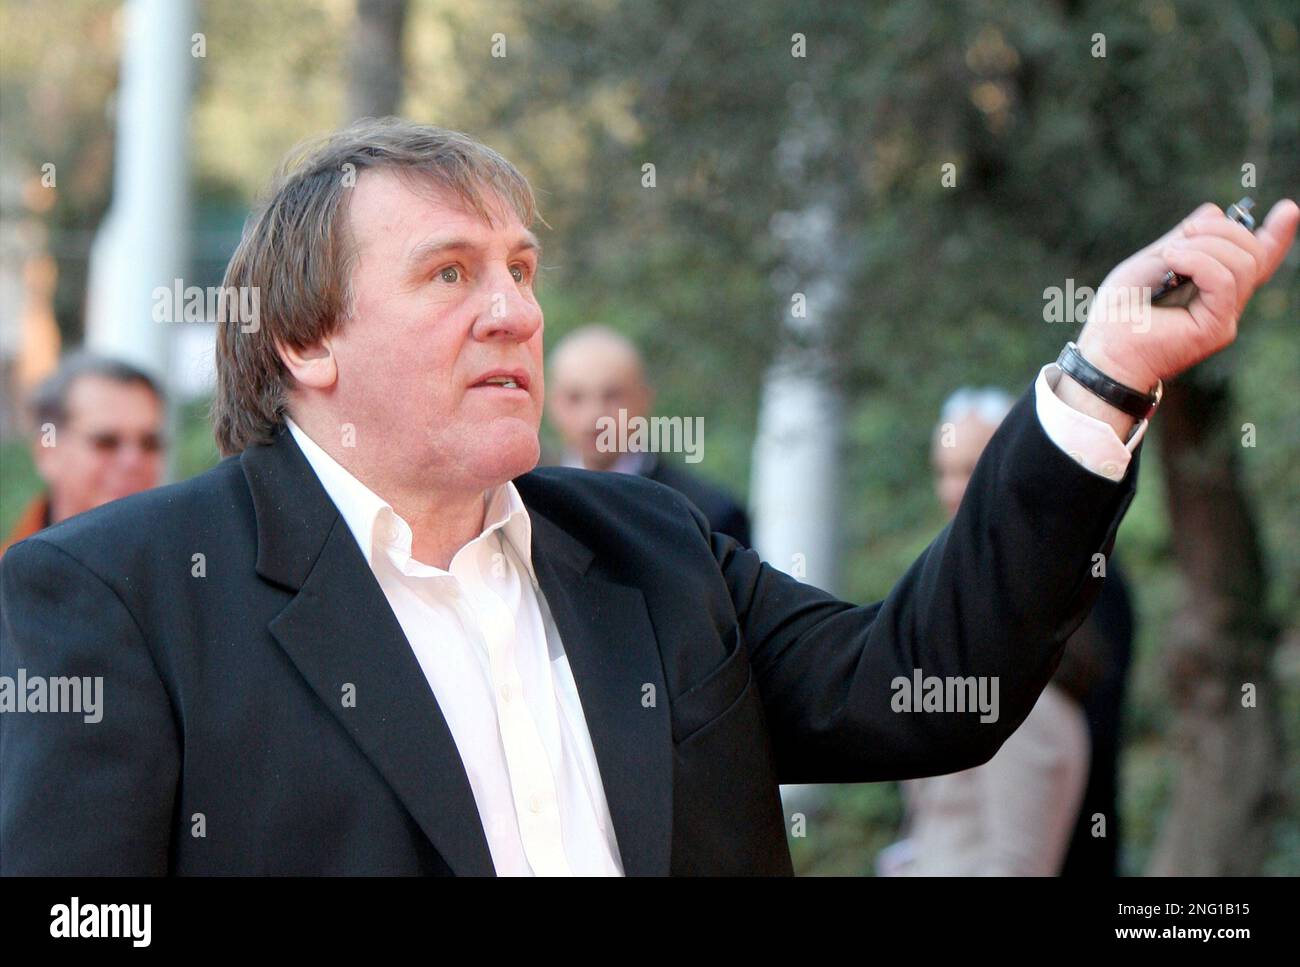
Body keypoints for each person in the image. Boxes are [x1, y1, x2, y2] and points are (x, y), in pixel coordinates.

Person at [1, 118, 1294, 876]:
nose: (515, 309)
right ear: (305, 339)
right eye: (449, 274)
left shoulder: (652, 545)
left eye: (520, 264)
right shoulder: (115, 596)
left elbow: (921, 682)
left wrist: (1103, 376)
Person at [885, 387, 1130, 875]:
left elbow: (1086, 730)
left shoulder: (1084, 572)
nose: (954, 489)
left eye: (969, 467)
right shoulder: (947, 571)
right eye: (944, 471)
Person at [546, 324, 752, 547]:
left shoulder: (708, 514)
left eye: (613, 396)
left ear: (644, 399)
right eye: (575, 398)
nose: (594, 415)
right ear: (551, 404)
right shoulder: (529, 505)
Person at [0, 353, 166, 558]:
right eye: (106, 442)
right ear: (48, 453)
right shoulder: (9, 583)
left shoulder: (193, 570)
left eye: (149, 443)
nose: (133, 461)